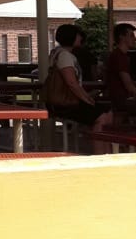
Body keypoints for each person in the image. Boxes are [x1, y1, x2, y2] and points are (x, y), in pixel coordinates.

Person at [45, 23, 112, 152]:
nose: (80, 38)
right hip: (66, 103)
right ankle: (101, 153)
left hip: (59, 102)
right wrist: (87, 99)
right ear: (71, 37)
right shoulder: (65, 56)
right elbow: (72, 83)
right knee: (103, 117)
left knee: (105, 112)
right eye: (78, 35)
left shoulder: (56, 53)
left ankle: (103, 149)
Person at [104, 23, 136, 123]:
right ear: (121, 37)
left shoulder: (119, 55)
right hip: (121, 100)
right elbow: (129, 86)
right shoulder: (119, 56)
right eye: (131, 35)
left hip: (121, 99)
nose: (135, 39)